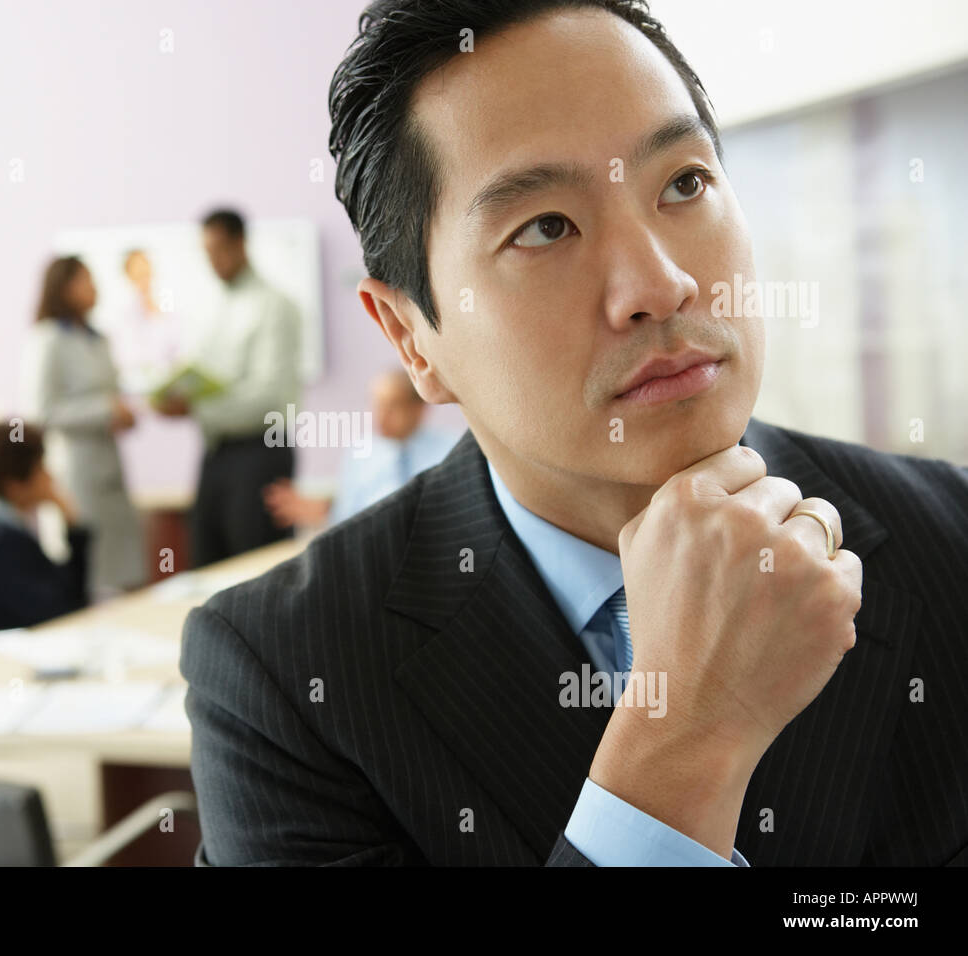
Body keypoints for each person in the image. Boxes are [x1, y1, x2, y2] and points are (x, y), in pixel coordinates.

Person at [180, 0, 968, 867]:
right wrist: (684, 744)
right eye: (545, 227)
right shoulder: (286, 676)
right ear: (412, 337)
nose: (659, 286)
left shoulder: (950, 535)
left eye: (685, 183)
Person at [152, 209, 303, 567]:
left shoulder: (275, 306)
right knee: (205, 562)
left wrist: (196, 408)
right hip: (215, 451)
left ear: (241, 244)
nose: (213, 260)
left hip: (261, 449)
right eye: (206, 252)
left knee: (255, 567)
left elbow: (271, 397)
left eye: (219, 249)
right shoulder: (209, 307)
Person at [22, 255, 147, 597]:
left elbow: (111, 395)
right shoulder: (47, 340)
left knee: (125, 569)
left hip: (110, 465)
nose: (94, 288)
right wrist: (103, 411)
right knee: (89, 571)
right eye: (86, 281)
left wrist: (123, 413)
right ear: (63, 288)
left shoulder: (98, 338)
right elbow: (41, 413)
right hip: (75, 470)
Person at [262, 368, 460, 528]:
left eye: (393, 406)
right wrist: (324, 512)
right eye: (377, 405)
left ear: (419, 408)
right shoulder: (361, 453)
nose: (381, 416)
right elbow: (347, 517)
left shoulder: (450, 450)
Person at [0, 421, 89, 632]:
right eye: (41, 468)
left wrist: (71, 524)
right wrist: (72, 526)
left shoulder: (14, 529)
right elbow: (63, 609)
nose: (50, 476)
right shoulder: (2, 543)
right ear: (14, 486)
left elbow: (69, 598)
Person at [105, 248, 186, 395]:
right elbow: (126, 360)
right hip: (138, 390)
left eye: (146, 273)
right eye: (138, 274)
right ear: (128, 276)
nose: (144, 279)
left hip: (170, 390)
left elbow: (178, 350)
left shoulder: (168, 309)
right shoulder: (122, 316)